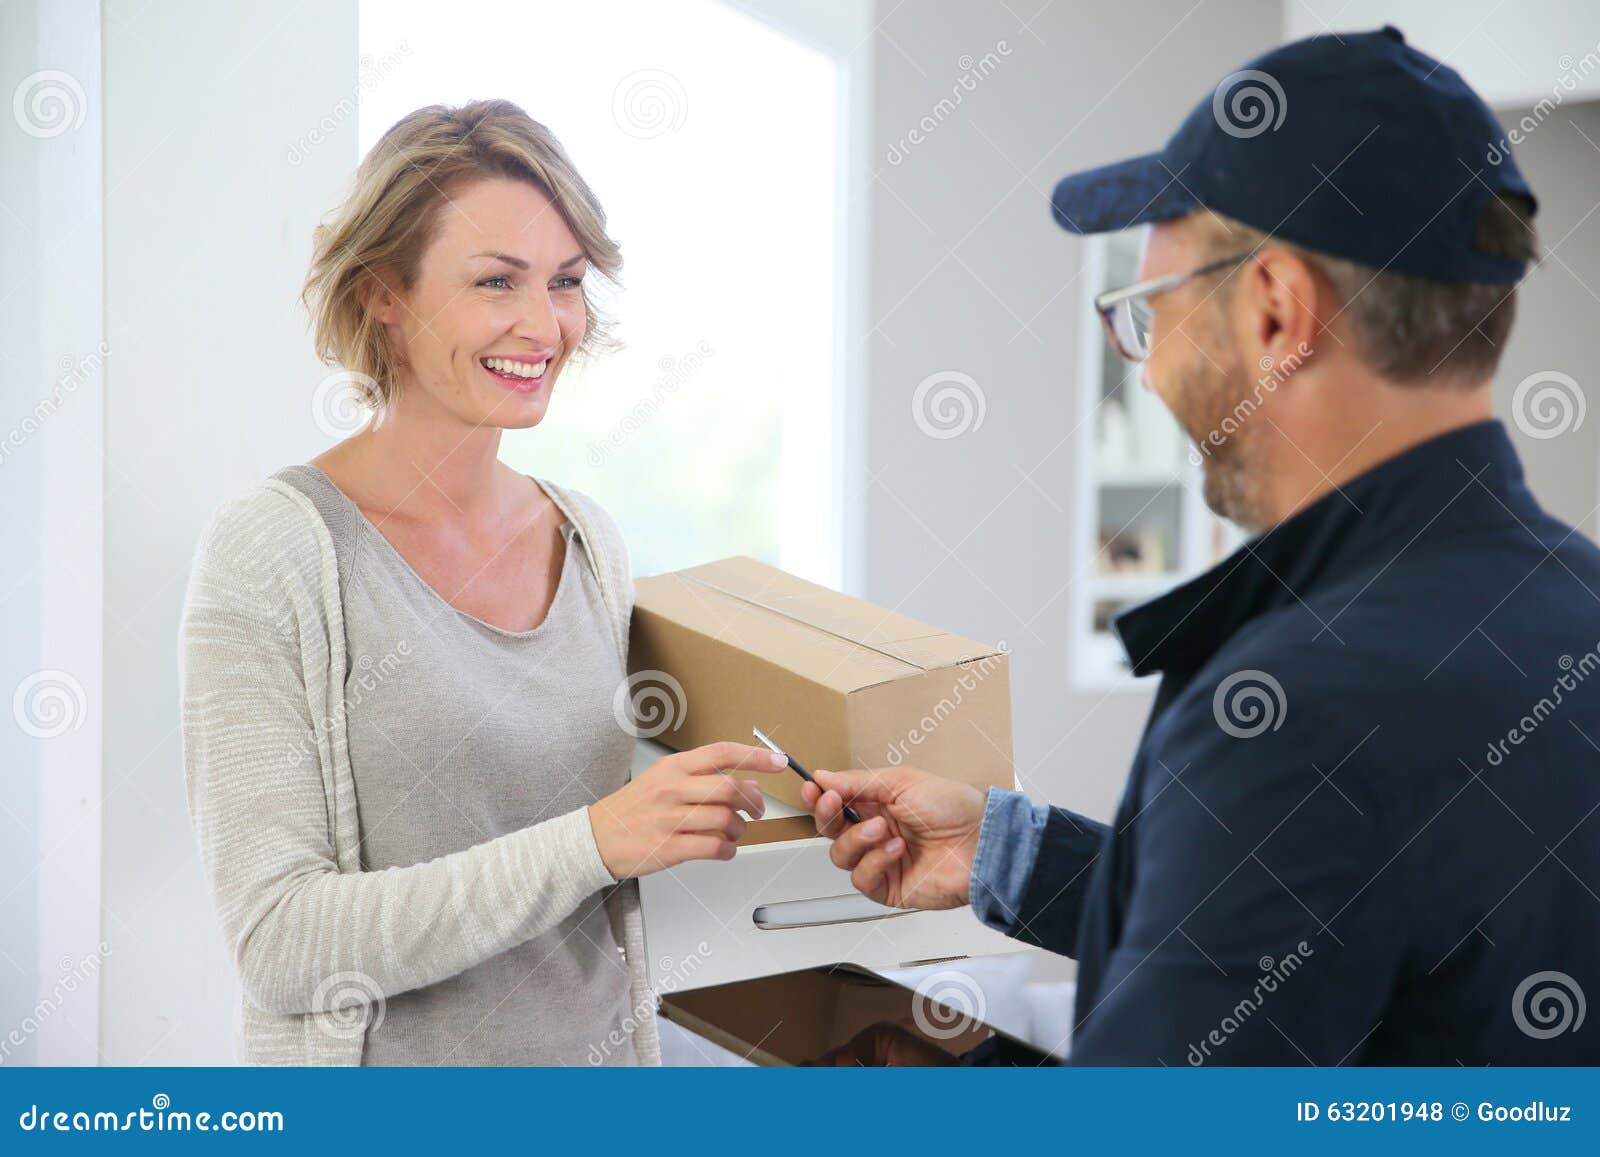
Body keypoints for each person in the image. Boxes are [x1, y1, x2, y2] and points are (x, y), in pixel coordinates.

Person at [802, 27, 1600, 1064]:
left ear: (1275, 310)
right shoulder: (1568, 607)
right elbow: (1374, 949)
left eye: (1148, 314)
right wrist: (1010, 853)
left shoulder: (1297, 708)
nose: (1146, 370)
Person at [179, 100, 785, 1066]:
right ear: (385, 292)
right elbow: (280, 945)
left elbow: (594, 869)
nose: (544, 325)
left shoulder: (590, 540)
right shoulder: (279, 550)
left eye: (567, 282)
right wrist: (595, 839)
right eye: (496, 280)